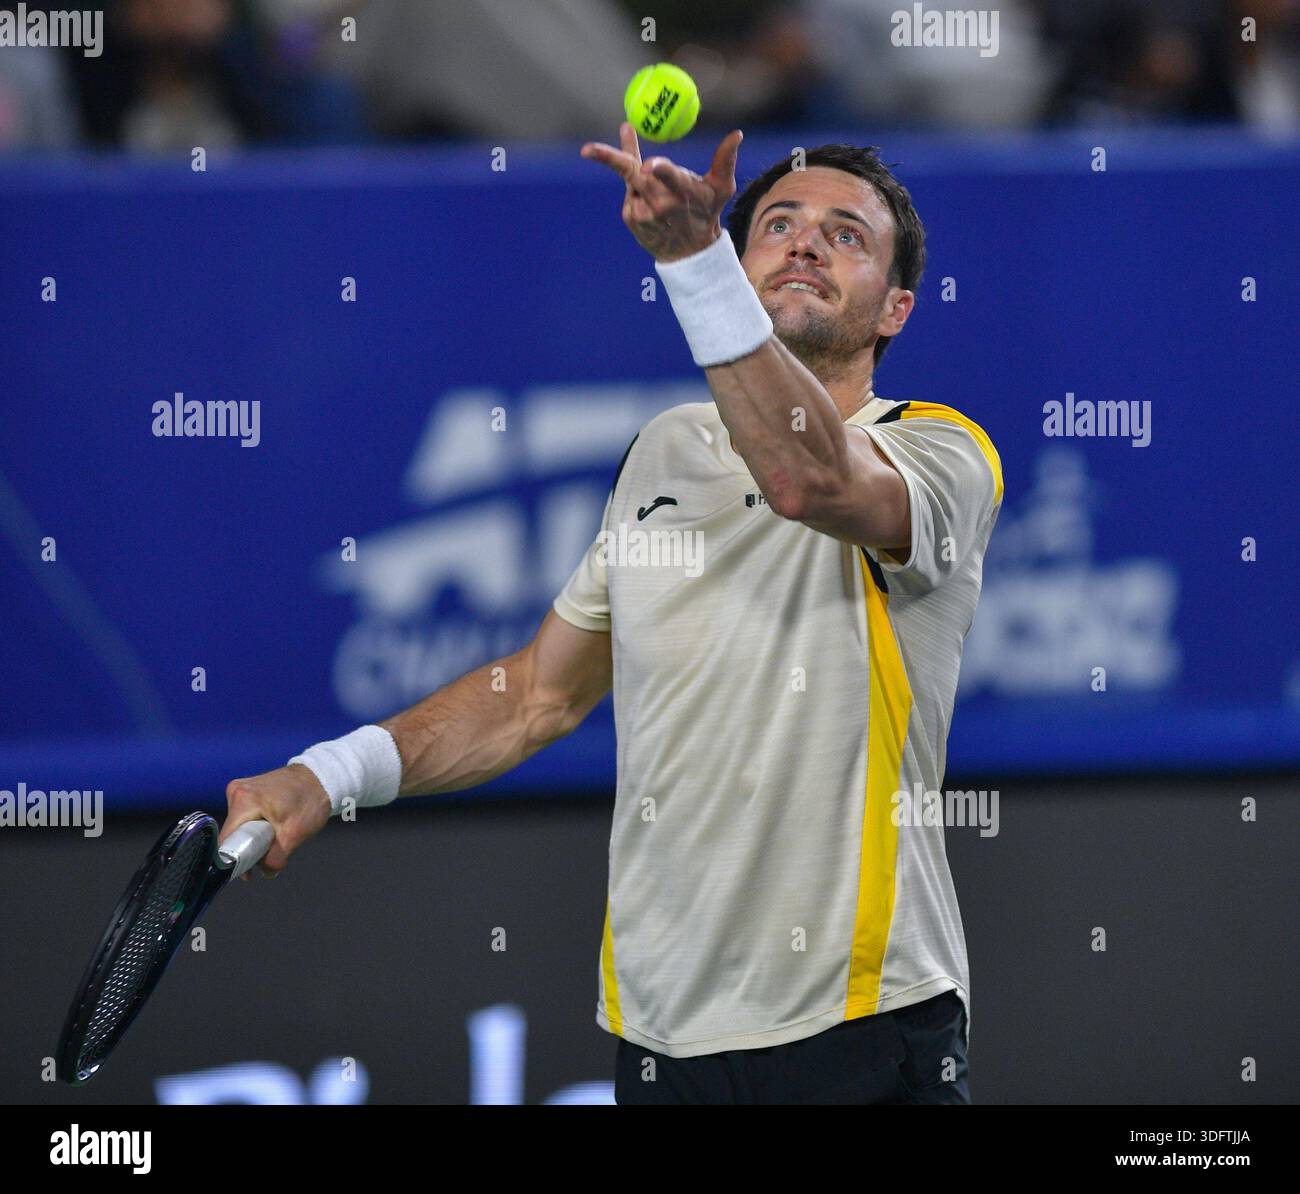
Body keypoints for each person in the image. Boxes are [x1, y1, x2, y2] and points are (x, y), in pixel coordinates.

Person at [221, 124, 1002, 1105]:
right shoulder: (663, 453)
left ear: (895, 309)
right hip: (659, 1035)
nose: (804, 243)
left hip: (858, 1022)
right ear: (745, 257)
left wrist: (693, 261)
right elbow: (536, 695)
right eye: (778, 224)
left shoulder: (937, 451)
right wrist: (326, 776)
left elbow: (808, 479)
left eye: (845, 235)